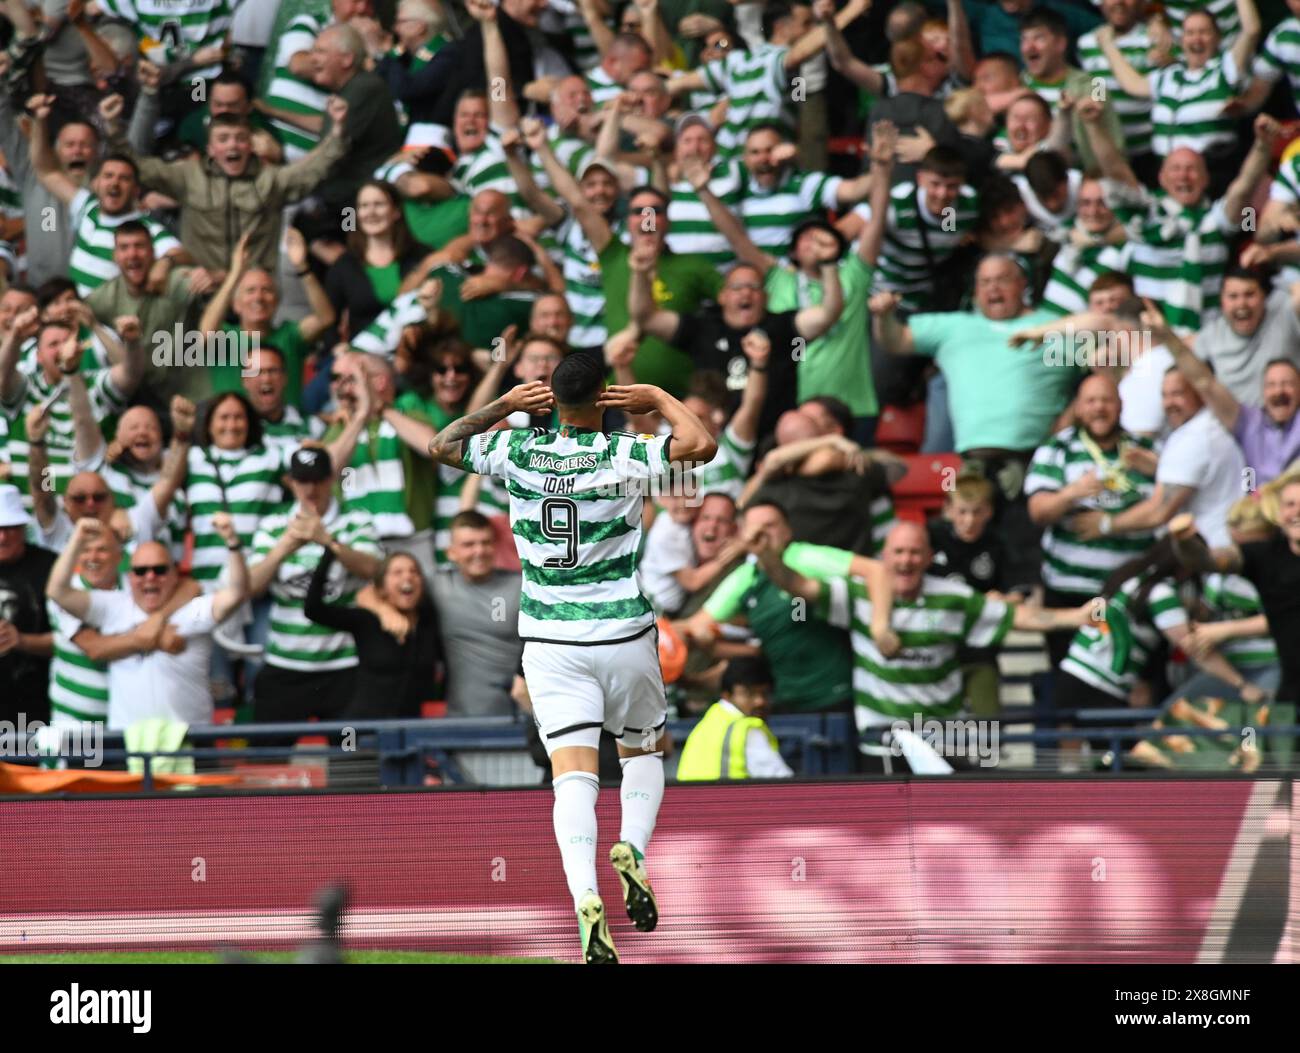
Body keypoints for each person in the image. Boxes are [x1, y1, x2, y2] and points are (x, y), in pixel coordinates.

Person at [424, 355, 717, 964]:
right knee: (642, 751)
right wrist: (658, 396)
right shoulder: (626, 453)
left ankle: (585, 893)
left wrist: (505, 405)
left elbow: (442, 443)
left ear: (549, 398)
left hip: (551, 644)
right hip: (622, 635)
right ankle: (631, 849)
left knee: (572, 777)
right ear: (606, 396)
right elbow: (702, 445)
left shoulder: (515, 451)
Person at [770, 520, 1095, 769]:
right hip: (883, 742)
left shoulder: (954, 598)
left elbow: (1016, 617)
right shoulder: (858, 593)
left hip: (944, 738)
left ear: (928, 557)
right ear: (884, 557)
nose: (906, 561)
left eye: (914, 552)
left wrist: (1076, 617)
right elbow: (800, 587)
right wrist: (767, 556)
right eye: (898, 552)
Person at [46, 515, 249, 730]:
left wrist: (233, 543)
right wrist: (76, 540)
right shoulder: (113, 607)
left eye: (159, 570)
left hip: (189, 742)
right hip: (128, 745)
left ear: (173, 574)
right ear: (131, 577)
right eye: (141, 571)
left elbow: (236, 594)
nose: (150, 577)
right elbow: (57, 592)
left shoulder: (193, 612)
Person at [1025, 373, 1158, 667]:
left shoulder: (1145, 450)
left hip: (1129, 594)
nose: (1099, 407)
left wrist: (1158, 469)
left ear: (1121, 405)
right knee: (1069, 685)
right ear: (1078, 407)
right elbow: (1038, 512)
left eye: (1106, 400)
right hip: (1069, 593)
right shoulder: (1057, 448)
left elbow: (1170, 506)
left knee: (1127, 684)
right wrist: (1072, 493)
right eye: (1091, 401)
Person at [248, 446, 383, 723]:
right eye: (303, 481)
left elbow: (373, 569)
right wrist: (285, 545)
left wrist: (328, 541)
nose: (311, 489)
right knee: (267, 759)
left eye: (318, 480)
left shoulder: (356, 518)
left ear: (331, 478)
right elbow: (251, 587)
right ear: (291, 482)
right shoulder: (273, 524)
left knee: (349, 758)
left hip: (343, 664)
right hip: (285, 662)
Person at [1171, 480, 1300, 711]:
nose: (1296, 511)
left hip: (1268, 667)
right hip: (1289, 692)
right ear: (1279, 514)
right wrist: (1185, 540)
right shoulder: (1266, 558)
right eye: (1290, 504)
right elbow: (1207, 560)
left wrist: (1226, 630)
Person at [1150, 302, 1300, 487]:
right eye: (1272, 385)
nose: (1279, 391)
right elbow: (1204, 382)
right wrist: (1168, 337)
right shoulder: (1249, 424)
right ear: (1262, 391)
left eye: (1287, 384)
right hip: (1254, 509)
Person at [304, 548, 440, 720]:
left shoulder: (429, 620)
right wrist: (330, 554)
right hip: (356, 729)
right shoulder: (367, 620)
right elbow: (313, 610)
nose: (408, 577)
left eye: (414, 571)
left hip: (408, 731)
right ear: (381, 588)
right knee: (347, 747)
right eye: (397, 572)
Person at [928, 473, 1023, 717]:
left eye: (977, 511)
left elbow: (1018, 594)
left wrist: (1002, 600)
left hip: (980, 650)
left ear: (989, 511)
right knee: (937, 733)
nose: (969, 520)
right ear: (947, 510)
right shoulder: (930, 538)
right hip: (935, 650)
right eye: (962, 511)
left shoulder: (999, 544)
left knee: (988, 732)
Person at [676, 654, 793, 780]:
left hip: (691, 799)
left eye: (765, 693)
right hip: (725, 799)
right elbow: (783, 784)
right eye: (749, 693)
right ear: (726, 695)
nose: (760, 701)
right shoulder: (748, 729)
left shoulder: (706, 724)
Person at [0, 484, 55, 725]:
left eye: (10, 528)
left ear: (23, 527)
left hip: (34, 705)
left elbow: (71, 639)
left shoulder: (51, 566)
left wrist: (21, 640)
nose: (3, 537)